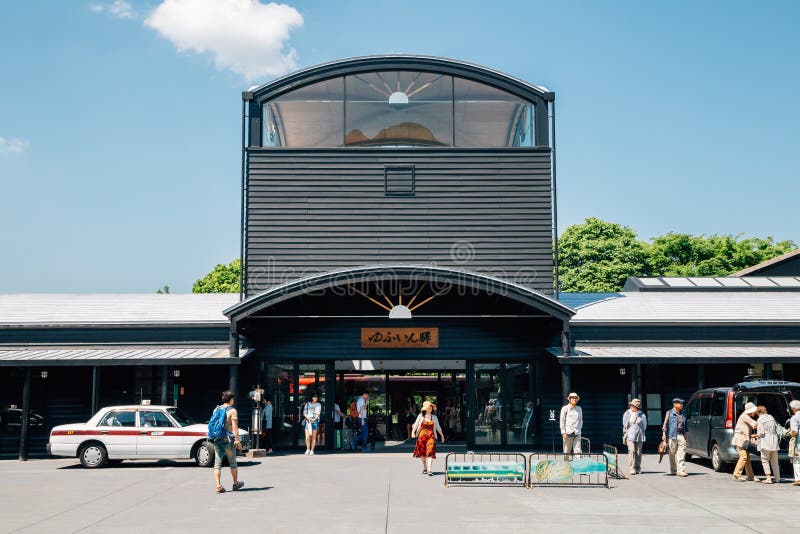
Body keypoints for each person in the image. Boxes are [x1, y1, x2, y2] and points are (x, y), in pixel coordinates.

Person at [212, 389, 244, 494]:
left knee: (217, 464)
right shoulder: (232, 411)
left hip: (217, 439)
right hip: (228, 440)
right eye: (233, 399)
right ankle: (235, 484)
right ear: (230, 400)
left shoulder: (216, 409)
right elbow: (235, 427)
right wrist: (237, 441)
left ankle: (218, 486)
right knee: (233, 463)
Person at [411, 400, 445, 476]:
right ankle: (425, 467)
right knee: (422, 454)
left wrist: (442, 435)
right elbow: (416, 424)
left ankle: (429, 469)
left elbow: (438, 427)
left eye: (431, 407)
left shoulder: (434, 417)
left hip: (431, 436)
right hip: (421, 437)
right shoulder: (420, 416)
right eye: (429, 407)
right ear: (425, 409)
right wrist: (413, 432)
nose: (430, 409)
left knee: (430, 451)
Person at [661, 397, 688, 477]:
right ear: (675, 404)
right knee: (672, 454)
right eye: (680, 403)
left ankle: (681, 470)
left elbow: (685, 424)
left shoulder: (683, 412)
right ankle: (673, 470)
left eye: (682, 403)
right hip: (672, 436)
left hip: (681, 435)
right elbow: (665, 424)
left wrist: (686, 433)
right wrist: (664, 434)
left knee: (682, 453)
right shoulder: (669, 413)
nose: (682, 405)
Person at [732, 402, 758, 481]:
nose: (755, 412)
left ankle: (750, 476)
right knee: (744, 457)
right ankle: (736, 474)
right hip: (740, 439)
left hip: (743, 440)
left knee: (747, 458)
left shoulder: (745, 415)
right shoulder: (745, 416)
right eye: (754, 411)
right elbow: (755, 424)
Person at [755, 405, 780, 484]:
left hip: (765, 442)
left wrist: (754, 435)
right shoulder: (771, 417)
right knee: (775, 461)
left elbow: (761, 433)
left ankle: (768, 478)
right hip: (774, 441)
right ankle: (777, 478)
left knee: (765, 460)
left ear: (758, 412)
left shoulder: (760, 419)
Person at [622, 398, 647, 476]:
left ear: (637, 407)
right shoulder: (627, 413)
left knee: (638, 452)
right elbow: (624, 424)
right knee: (632, 451)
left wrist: (640, 431)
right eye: (631, 405)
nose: (632, 407)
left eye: (633, 406)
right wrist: (625, 432)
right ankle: (632, 468)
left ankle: (638, 467)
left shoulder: (642, 415)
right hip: (630, 435)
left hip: (639, 435)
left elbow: (645, 425)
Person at [789, 399, 800, 486]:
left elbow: (795, 432)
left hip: (798, 443)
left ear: (794, 408)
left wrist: (790, 434)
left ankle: (798, 479)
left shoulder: (794, 418)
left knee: (796, 461)